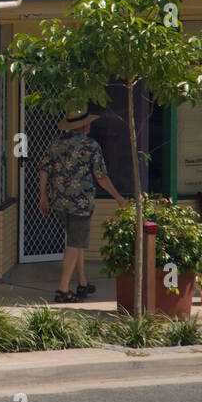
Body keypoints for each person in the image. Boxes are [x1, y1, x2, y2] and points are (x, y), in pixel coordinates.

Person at [38, 106, 127, 302]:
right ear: (84, 125)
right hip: (80, 203)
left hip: (59, 201)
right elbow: (101, 177)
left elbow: (44, 169)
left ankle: (82, 283)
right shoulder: (90, 146)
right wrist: (118, 198)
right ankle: (62, 290)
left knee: (75, 241)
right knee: (75, 243)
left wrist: (42, 196)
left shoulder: (55, 144)